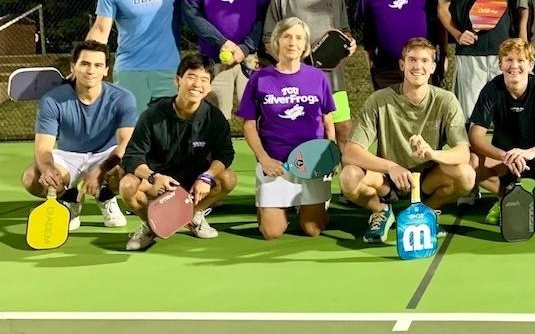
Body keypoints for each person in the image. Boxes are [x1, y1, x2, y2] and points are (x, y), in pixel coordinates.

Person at [339, 37, 475, 243]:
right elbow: (350, 152)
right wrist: (391, 167)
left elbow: (463, 152)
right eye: (412, 60)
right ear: (402, 65)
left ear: (433, 67)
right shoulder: (380, 99)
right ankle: (381, 211)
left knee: (466, 175)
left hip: (427, 180)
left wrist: (432, 154)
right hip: (388, 182)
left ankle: (427, 212)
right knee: (349, 176)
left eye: (424, 61)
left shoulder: (446, 100)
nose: (417, 66)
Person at [118, 54, 238, 251]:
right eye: (191, 77)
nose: (197, 84)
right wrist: (154, 177)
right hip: (157, 185)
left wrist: (207, 177)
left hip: (193, 187)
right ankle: (151, 225)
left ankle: (191, 216)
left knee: (228, 178)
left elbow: (225, 154)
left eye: (204, 80)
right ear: (177, 80)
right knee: (127, 185)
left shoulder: (214, 118)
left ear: (209, 87)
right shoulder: (152, 115)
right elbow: (132, 156)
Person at [237, 18, 337, 239]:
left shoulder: (318, 77)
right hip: (276, 164)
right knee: (271, 232)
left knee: (312, 230)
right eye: (287, 36)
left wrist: (331, 154)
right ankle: (271, 204)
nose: (293, 42)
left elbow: (328, 119)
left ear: (306, 46)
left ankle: (310, 203)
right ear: (277, 42)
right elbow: (249, 123)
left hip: (311, 164)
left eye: (299, 38)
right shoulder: (260, 79)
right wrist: (263, 158)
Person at [20, 40, 137, 231]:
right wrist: (48, 169)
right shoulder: (52, 100)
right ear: (73, 67)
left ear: (106, 70)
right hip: (69, 156)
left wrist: (99, 171)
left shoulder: (123, 98)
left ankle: (106, 196)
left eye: (98, 65)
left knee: (125, 171)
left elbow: (125, 146)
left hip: (106, 155)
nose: (91, 70)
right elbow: (43, 148)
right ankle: (69, 197)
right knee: (31, 178)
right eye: (85, 64)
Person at [468, 38, 535, 226]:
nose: (514, 65)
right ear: (500, 64)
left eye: (520, 60)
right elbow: (475, 136)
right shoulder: (492, 89)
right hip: (504, 158)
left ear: (531, 65)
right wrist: (505, 155)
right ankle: (504, 198)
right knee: (471, 161)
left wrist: (530, 152)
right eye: (508, 60)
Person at [264, 0, 356, 144]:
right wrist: (289, 64)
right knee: (308, 129)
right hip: (297, 80)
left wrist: (350, 43)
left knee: (342, 128)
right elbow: (268, 40)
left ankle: (344, 174)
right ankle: (302, 174)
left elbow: (344, 30)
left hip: (333, 78)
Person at [86, 0, 182, 109]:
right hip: (130, 72)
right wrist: (83, 62)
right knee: (131, 133)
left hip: (169, 71)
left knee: (169, 132)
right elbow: (100, 30)